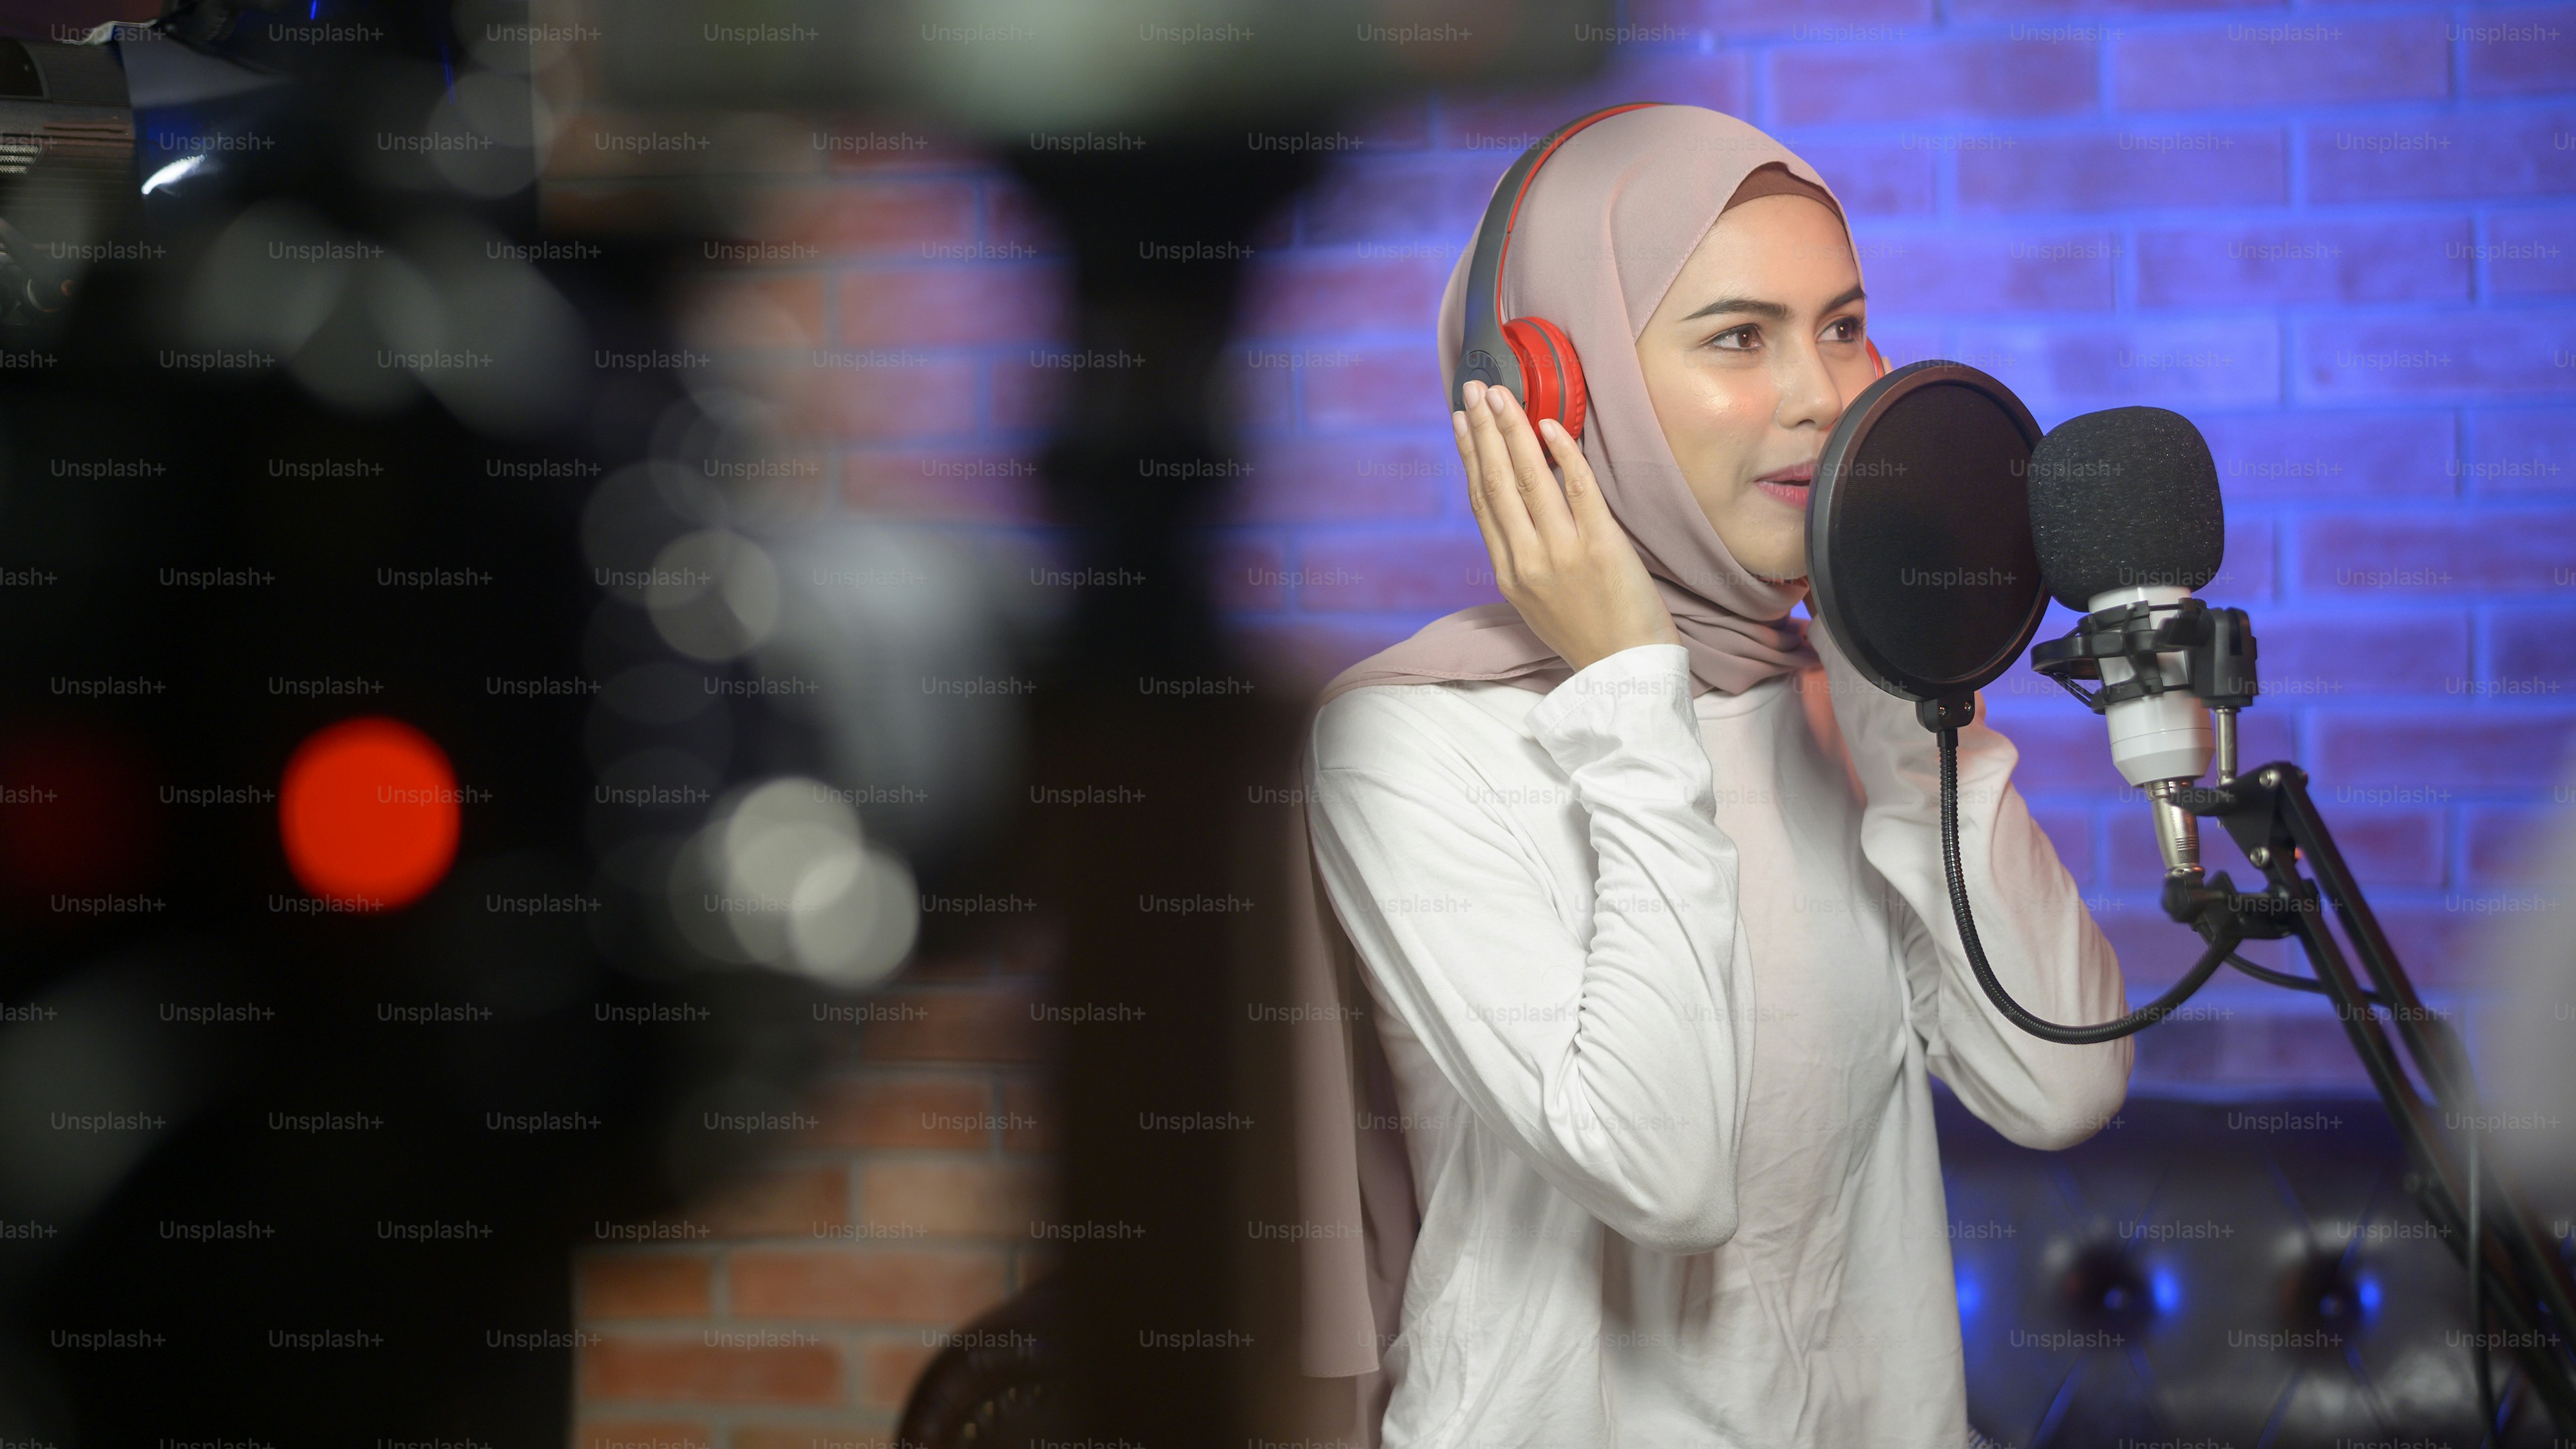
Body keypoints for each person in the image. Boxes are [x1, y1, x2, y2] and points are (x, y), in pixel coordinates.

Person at [1294, 106, 2131, 1447]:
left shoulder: (1848, 705)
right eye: (1740, 337)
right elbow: (1664, 1172)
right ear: (1556, 398)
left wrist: (1908, 681)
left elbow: (2060, 1086)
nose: (1822, 395)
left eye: (1844, 327)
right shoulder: (1411, 744)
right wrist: (1635, 688)